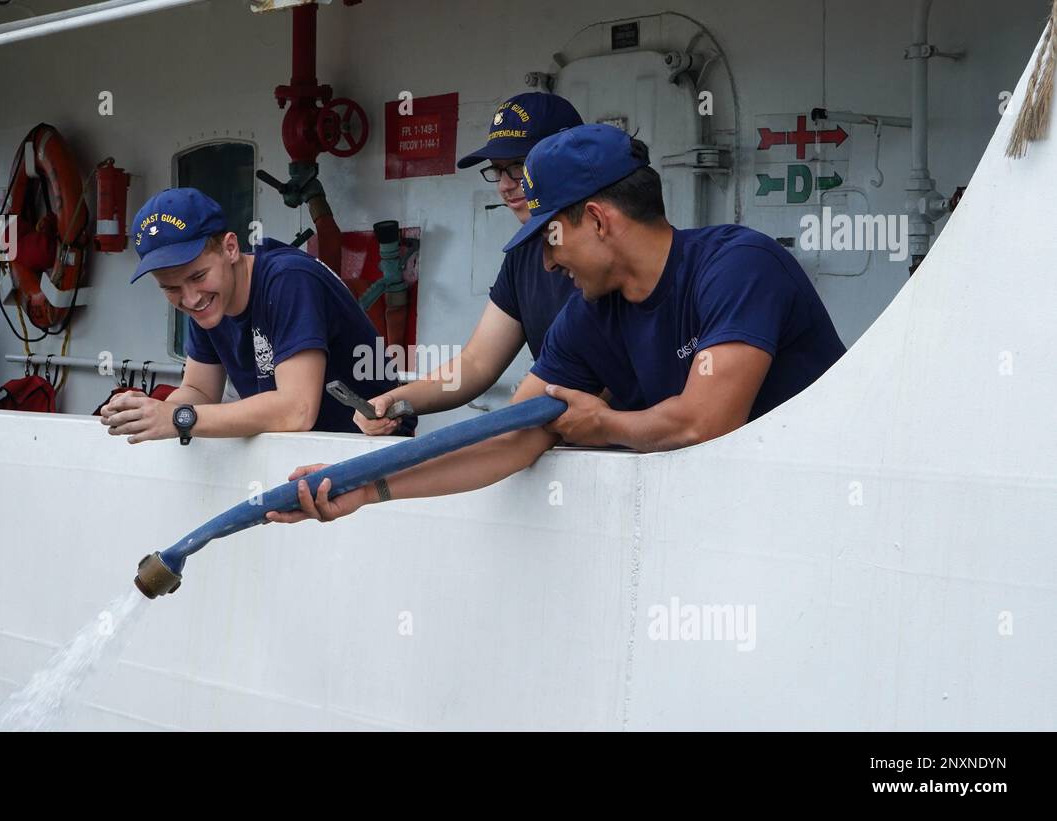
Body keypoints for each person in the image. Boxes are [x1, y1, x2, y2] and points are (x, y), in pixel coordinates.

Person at [267, 123, 846, 524]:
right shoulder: (589, 316)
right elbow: (512, 436)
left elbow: (705, 422)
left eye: (549, 237)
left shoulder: (738, 265)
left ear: (597, 219)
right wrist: (367, 484)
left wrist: (606, 423)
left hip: (826, 511)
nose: (545, 261)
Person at [100, 187, 415, 443]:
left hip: (368, 455)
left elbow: (296, 410)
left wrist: (178, 419)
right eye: (170, 287)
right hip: (298, 457)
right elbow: (199, 391)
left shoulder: (289, 280)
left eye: (198, 277)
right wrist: (148, 414)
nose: (190, 298)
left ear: (231, 248)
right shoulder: (207, 303)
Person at [355, 92, 583, 435]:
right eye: (497, 171)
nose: (506, 185)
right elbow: (476, 364)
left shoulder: (608, 257)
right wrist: (397, 400)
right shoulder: (522, 256)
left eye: (519, 168)